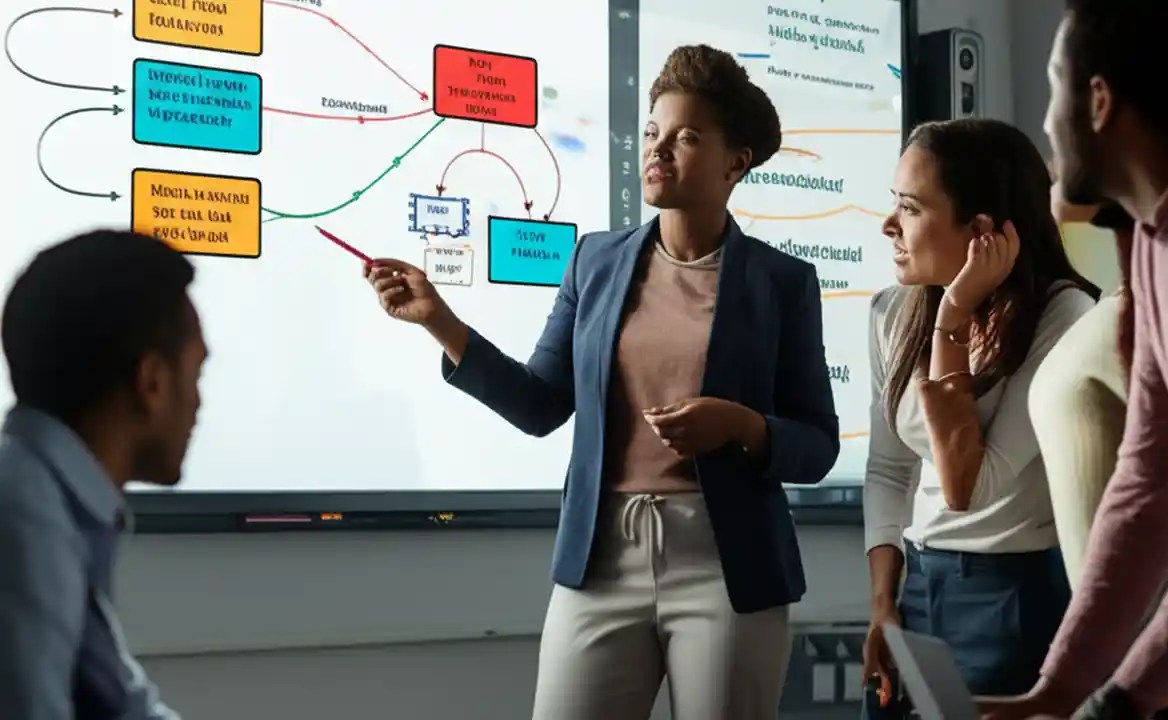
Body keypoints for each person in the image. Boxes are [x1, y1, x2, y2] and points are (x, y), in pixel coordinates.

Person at [365, 44, 838, 720]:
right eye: (652, 131)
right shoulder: (594, 260)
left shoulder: (782, 283)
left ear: (735, 163)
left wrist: (740, 426)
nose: (658, 149)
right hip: (601, 558)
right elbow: (539, 405)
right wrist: (439, 320)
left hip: (726, 565)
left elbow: (817, 445)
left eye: (686, 137)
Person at [980, 1, 1168, 718]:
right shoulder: (1151, 239)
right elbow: (1149, 480)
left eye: (1053, 89)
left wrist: (1121, 703)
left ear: (1098, 100)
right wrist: (1059, 689)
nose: (1046, 125)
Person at [860, 117, 1100, 718]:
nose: (888, 224)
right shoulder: (891, 311)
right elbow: (889, 469)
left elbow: (972, 485)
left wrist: (954, 316)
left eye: (910, 208)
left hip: (1008, 596)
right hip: (914, 586)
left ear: (981, 233)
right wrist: (883, 604)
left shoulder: (1063, 315)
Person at [0, 230, 204, 718]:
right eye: (196, 374)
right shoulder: (24, 519)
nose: (199, 403)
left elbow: (121, 703)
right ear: (152, 382)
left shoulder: (48, 499)